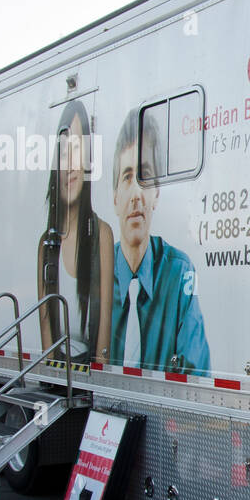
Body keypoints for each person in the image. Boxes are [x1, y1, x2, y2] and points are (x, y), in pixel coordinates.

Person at [108, 110, 211, 373]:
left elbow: (194, 371)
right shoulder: (98, 275)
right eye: (128, 177)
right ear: (115, 196)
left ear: (157, 194)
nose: (136, 194)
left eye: (146, 177)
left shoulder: (179, 273)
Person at [37, 100, 113, 362]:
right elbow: (46, 332)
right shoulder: (47, 245)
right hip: (58, 372)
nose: (70, 165)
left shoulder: (102, 235)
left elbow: (104, 338)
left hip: (89, 372)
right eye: (64, 152)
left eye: (78, 150)